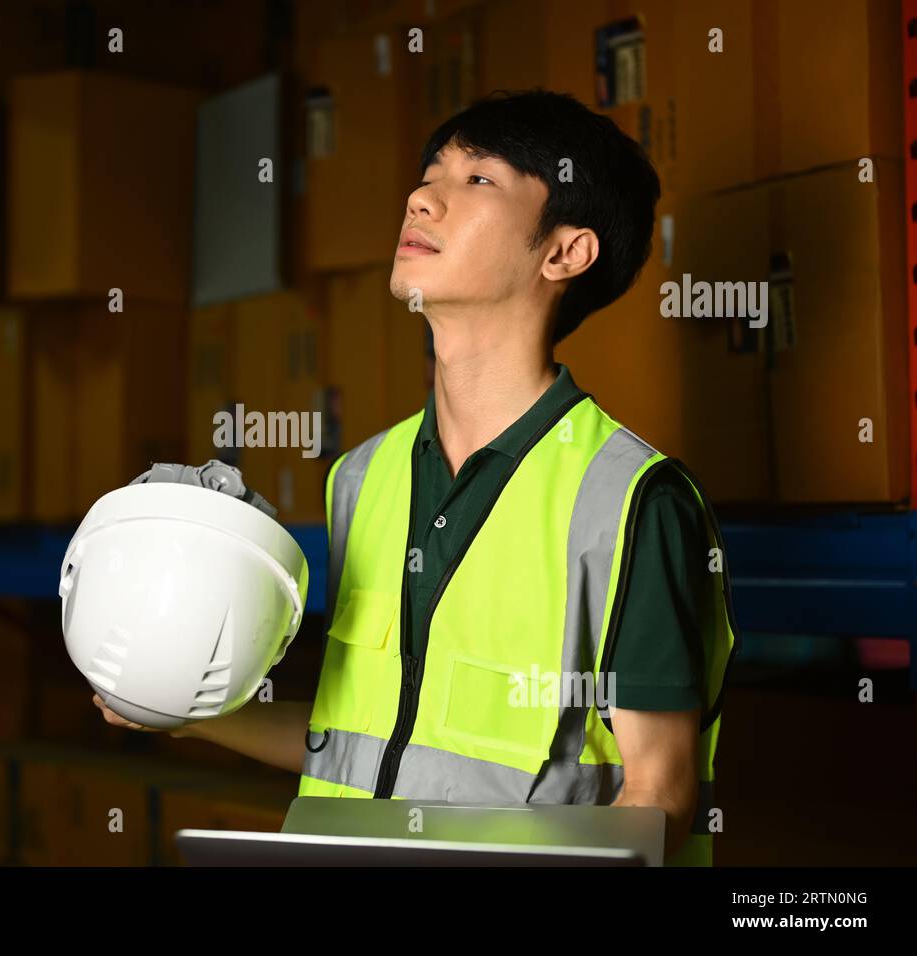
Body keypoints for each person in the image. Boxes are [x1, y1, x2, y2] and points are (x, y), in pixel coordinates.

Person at [94, 89, 738, 866]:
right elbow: (357, 742)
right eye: (431, 172)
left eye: (477, 181)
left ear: (564, 253)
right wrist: (184, 711)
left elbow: (658, 800)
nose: (421, 198)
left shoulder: (632, 500)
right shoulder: (363, 477)